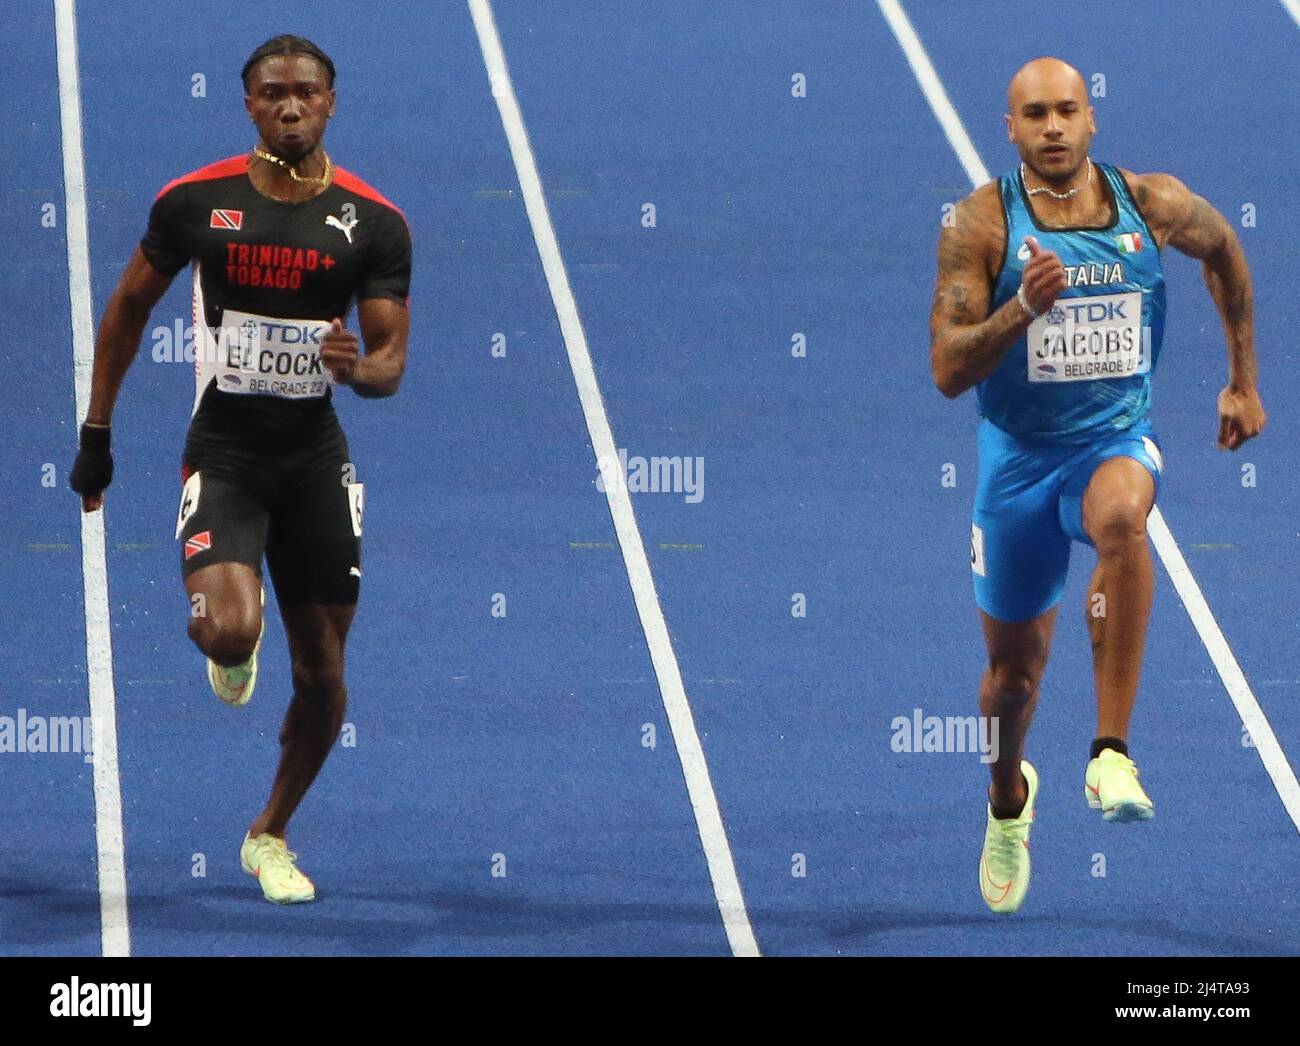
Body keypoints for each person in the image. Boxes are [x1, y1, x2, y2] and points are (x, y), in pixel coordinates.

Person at [68, 35, 413, 904]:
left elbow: (389, 365)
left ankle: (269, 835)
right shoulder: (196, 203)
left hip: (314, 459)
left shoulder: (372, 223)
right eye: (272, 95)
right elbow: (127, 309)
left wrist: (354, 367)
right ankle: (231, 640)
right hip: (223, 450)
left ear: (331, 102)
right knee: (229, 630)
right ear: (248, 104)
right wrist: (97, 432)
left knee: (324, 675)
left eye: (305, 94)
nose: (290, 108)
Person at [928, 57, 1265, 914]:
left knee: (1124, 516)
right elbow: (945, 370)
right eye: (1033, 114)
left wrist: (1243, 379)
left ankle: (1111, 749)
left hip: (1110, 441)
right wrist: (1020, 312)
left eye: (1066, 111)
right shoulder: (981, 226)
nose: (1051, 127)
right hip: (1017, 465)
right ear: (1009, 128)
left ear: (1091, 120)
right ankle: (1009, 798)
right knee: (1012, 680)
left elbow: (1224, 249)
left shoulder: (1150, 204)